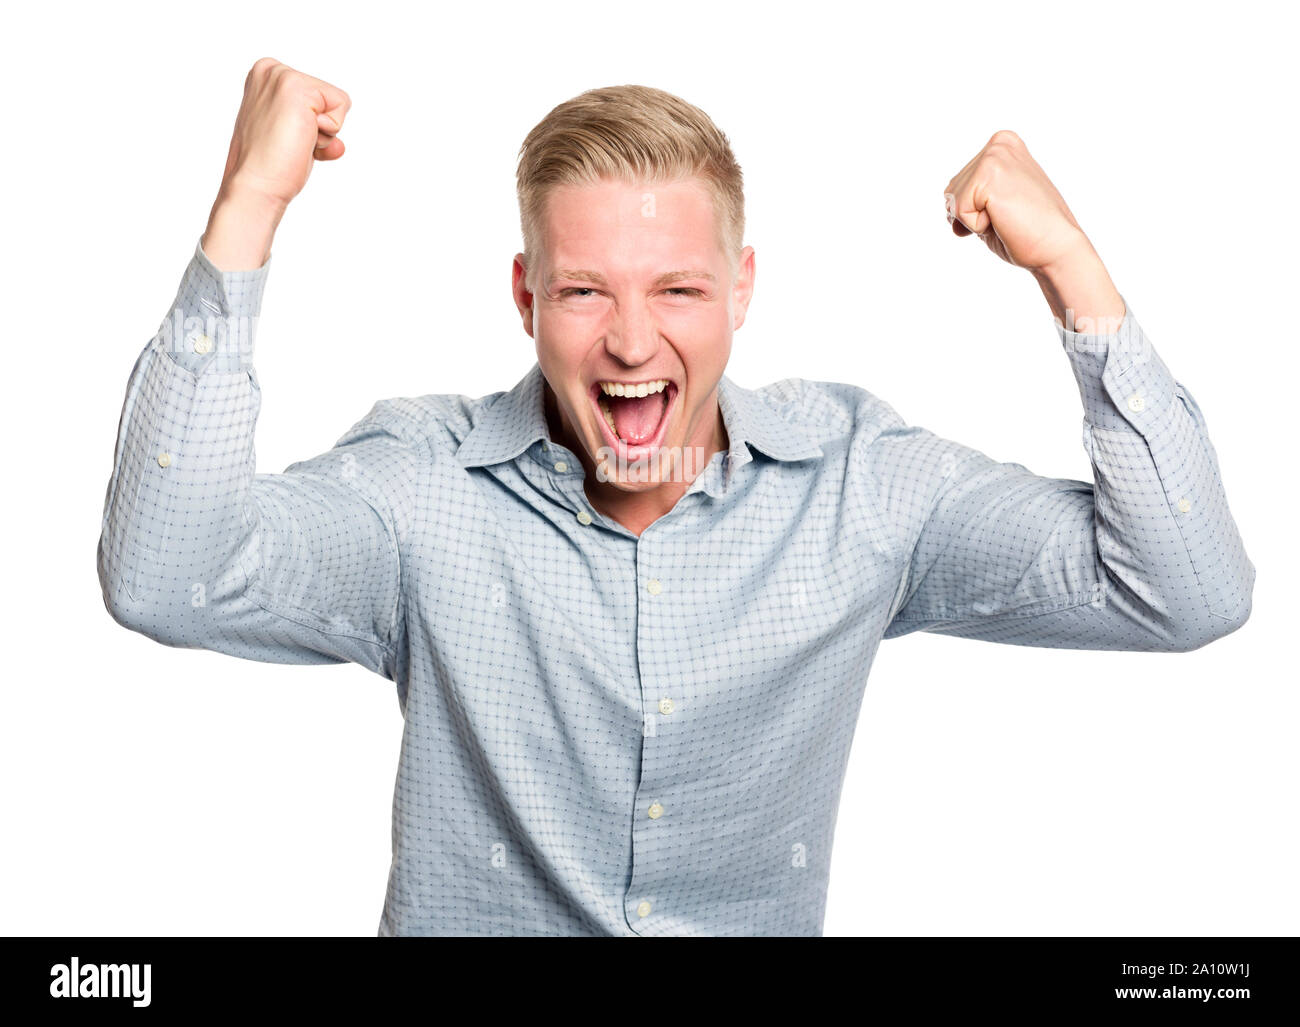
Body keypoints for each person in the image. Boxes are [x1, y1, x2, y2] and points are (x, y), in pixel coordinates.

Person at [97, 58, 1255, 936]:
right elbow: (164, 577)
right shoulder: (420, 488)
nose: (633, 339)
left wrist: (1073, 273)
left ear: (742, 290)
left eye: (680, 288)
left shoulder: (858, 487)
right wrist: (246, 210)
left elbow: (1182, 594)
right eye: (587, 290)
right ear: (526, 296)